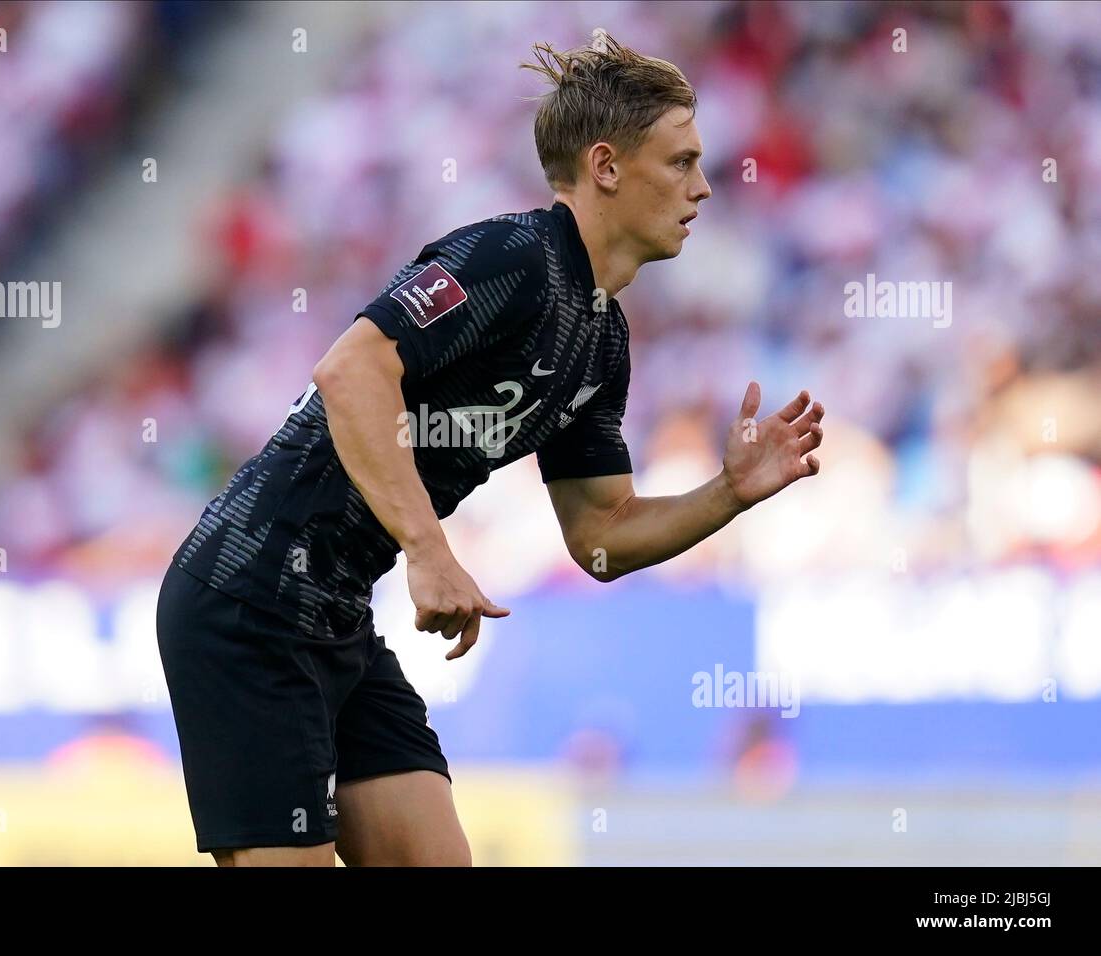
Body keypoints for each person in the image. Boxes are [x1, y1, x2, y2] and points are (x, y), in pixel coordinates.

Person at [156, 33, 825, 867]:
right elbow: (352, 370)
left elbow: (602, 538)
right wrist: (430, 554)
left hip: (335, 614)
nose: (702, 186)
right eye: (682, 161)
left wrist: (726, 492)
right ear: (607, 166)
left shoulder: (602, 339)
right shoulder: (513, 257)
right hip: (245, 599)